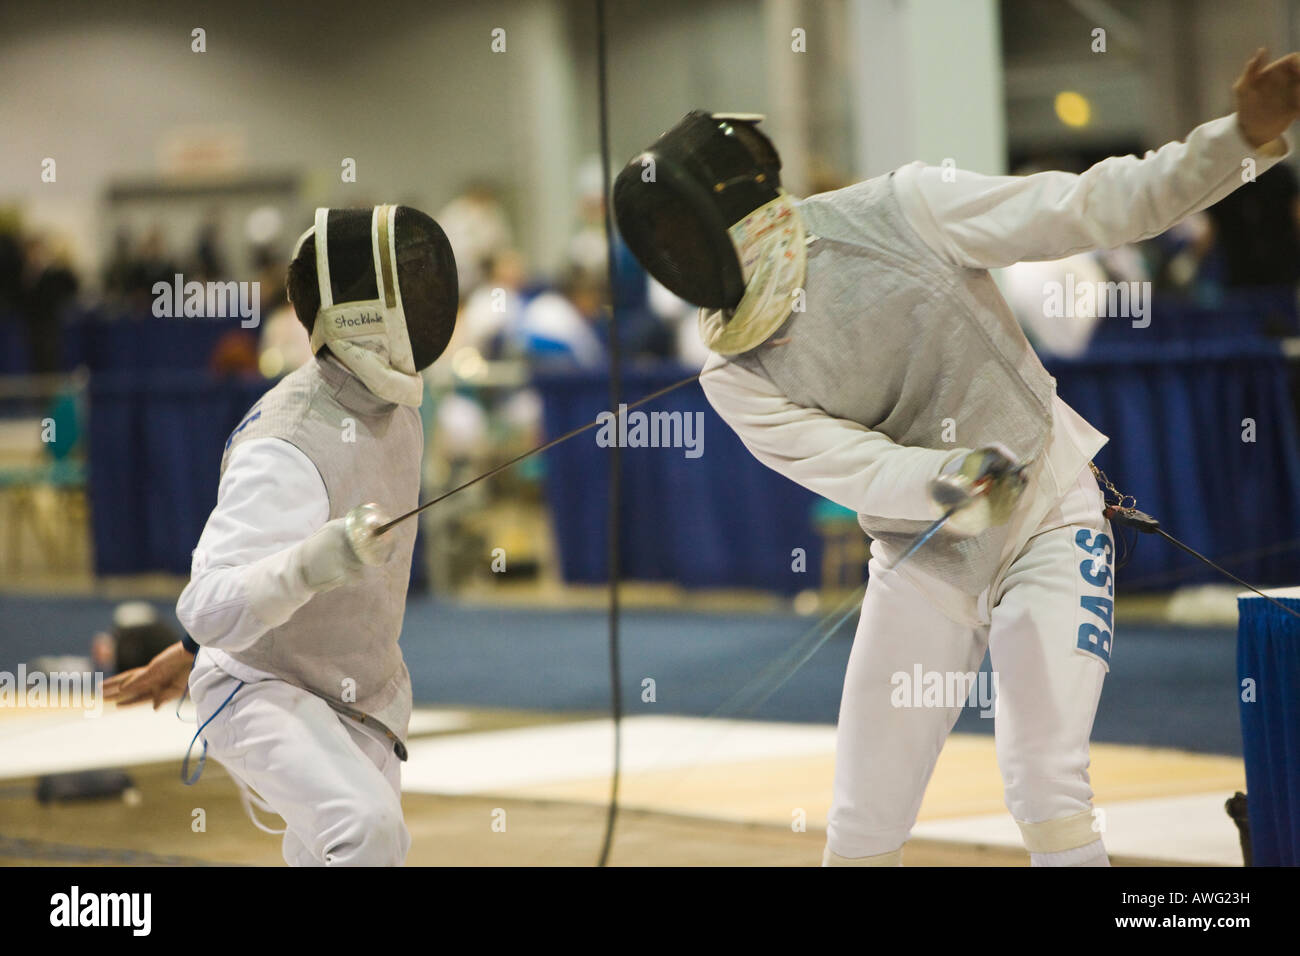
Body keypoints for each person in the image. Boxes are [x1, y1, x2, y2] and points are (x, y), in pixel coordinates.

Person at [613, 49, 1299, 867]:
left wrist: (1239, 138)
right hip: (921, 555)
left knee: (1046, 783)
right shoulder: (733, 375)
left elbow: (1093, 207)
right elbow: (855, 466)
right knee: (863, 820)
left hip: (1048, 512)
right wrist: (952, 483)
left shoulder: (905, 210)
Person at [103, 204, 458, 866]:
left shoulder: (397, 412)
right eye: (406, 287)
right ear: (362, 309)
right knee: (366, 830)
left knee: (334, 847)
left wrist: (188, 650)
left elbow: (219, 608)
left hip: (363, 688)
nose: (427, 301)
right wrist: (315, 563)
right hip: (262, 688)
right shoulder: (287, 442)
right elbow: (207, 603)